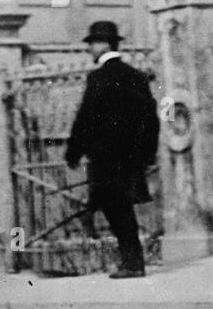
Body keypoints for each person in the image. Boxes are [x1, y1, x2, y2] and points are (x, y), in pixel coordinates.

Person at [65, 21, 160, 278]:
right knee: (121, 207)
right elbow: (150, 118)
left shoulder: (99, 77)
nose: (89, 49)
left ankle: (132, 263)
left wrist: (74, 150)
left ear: (105, 44)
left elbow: (86, 117)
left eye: (93, 43)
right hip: (131, 158)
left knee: (115, 208)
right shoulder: (135, 76)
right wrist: (147, 154)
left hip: (106, 158)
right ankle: (132, 261)